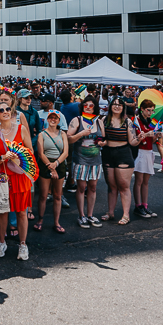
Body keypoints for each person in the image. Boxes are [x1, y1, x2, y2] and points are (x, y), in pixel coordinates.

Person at [0, 99, 34, 260]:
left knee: (22, 212)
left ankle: (23, 244)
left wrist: (19, 156)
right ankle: (1, 242)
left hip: (20, 176)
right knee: (3, 211)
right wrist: (3, 157)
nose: (5, 112)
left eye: (8, 109)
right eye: (1, 110)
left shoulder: (21, 129)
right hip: (3, 177)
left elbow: (30, 151)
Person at [98, 97, 140, 225]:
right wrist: (101, 142)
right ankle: (110, 212)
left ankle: (126, 215)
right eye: (114, 104)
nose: (117, 106)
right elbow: (101, 137)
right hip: (107, 154)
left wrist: (140, 138)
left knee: (123, 186)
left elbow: (132, 142)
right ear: (110, 106)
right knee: (111, 186)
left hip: (123, 154)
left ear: (123, 108)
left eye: (120, 105)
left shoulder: (127, 121)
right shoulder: (104, 120)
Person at [67, 97, 103, 229]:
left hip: (95, 160)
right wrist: (80, 134)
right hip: (80, 160)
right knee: (81, 188)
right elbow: (68, 139)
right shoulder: (77, 120)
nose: (88, 107)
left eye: (91, 105)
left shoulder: (98, 121)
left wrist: (102, 142)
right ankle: (81, 215)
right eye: (85, 105)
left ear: (95, 107)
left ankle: (90, 215)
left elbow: (103, 138)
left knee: (92, 188)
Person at [33, 110, 68, 233]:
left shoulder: (62, 134)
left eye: (55, 118)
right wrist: (51, 167)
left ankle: (56, 222)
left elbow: (65, 152)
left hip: (59, 163)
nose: (53, 120)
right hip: (46, 164)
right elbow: (41, 153)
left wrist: (56, 164)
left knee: (57, 195)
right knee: (43, 195)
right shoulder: (42, 134)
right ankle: (40, 220)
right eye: (51, 117)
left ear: (59, 120)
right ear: (47, 119)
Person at [133, 99, 158, 218]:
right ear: (142, 109)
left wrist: (156, 135)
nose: (150, 113)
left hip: (149, 151)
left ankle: (145, 205)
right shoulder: (136, 120)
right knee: (139, 180)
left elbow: (151, 141)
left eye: (152, 111)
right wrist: (146, 134)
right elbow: (136, 137)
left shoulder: (151, 122)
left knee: (146, 182)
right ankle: (138, 206)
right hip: (140, 151)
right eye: (148, 110)